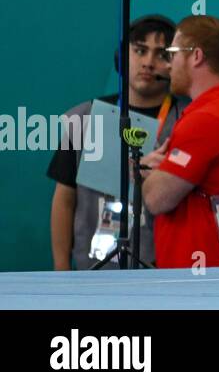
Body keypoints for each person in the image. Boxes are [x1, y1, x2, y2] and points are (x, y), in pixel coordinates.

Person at [47, 15, 181, 269]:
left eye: (162, 55)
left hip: (165, 273)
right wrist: (61, 270)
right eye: (140, 50)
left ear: (176, 64)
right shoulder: (84, 117)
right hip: (94, 271)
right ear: (123, 55)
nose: (149, 63)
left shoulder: (187, 121)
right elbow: (64, 199)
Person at [140, 15, 219, 269]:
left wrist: (147, 174)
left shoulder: (207, 120)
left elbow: (156, 198)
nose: (168, 65)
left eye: (172, 53)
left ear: (196, 56)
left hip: (204, 283)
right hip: (214, 277)